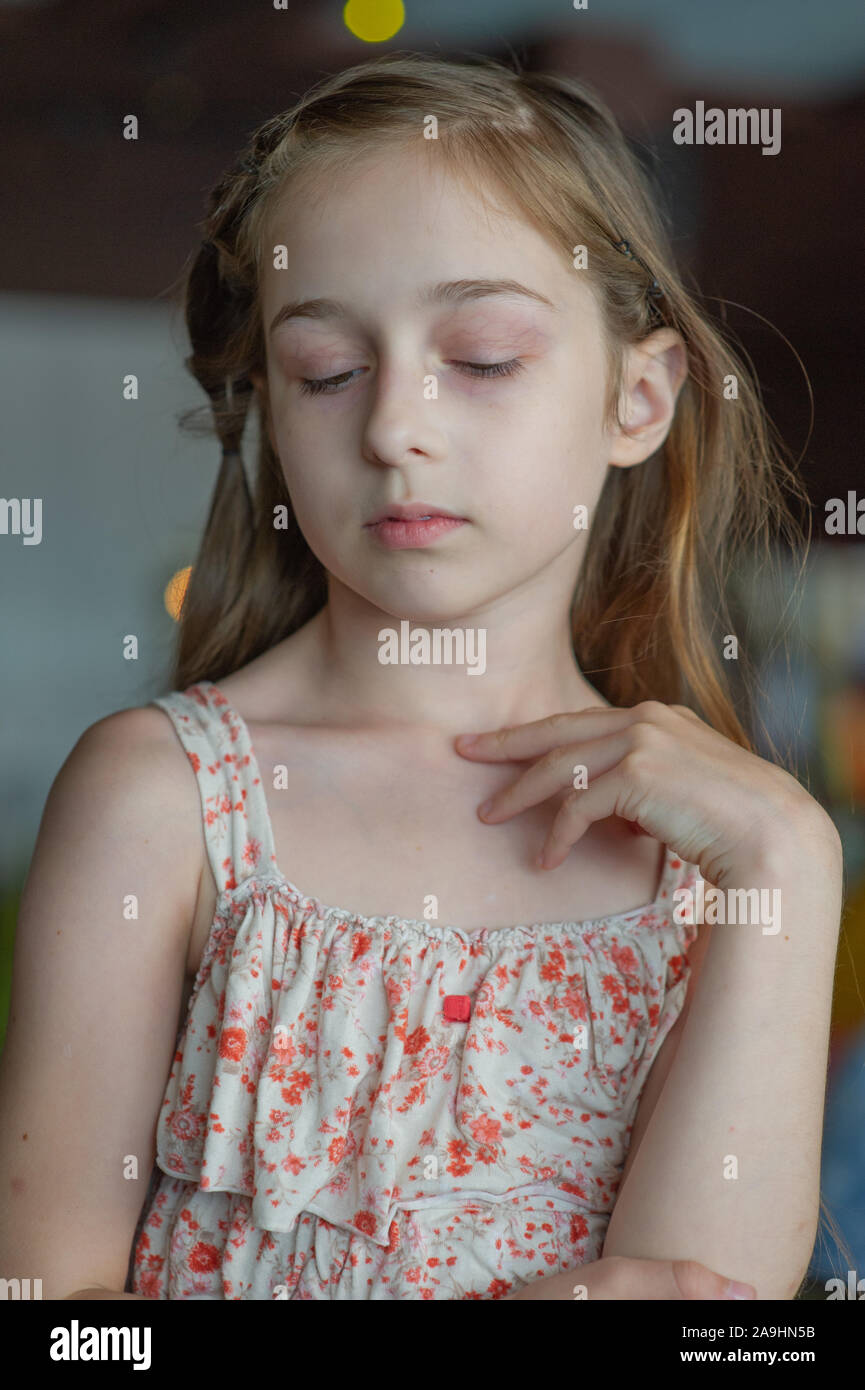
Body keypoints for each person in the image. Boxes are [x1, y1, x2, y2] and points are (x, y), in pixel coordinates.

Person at [0, 52, 846, 1301]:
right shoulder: (162, 800)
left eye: (485, 356)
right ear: (275, 415)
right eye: (328, 371)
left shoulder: (717, 856)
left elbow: (699, 1311)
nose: (394, 425)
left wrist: (791, 858)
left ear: (639, 398)